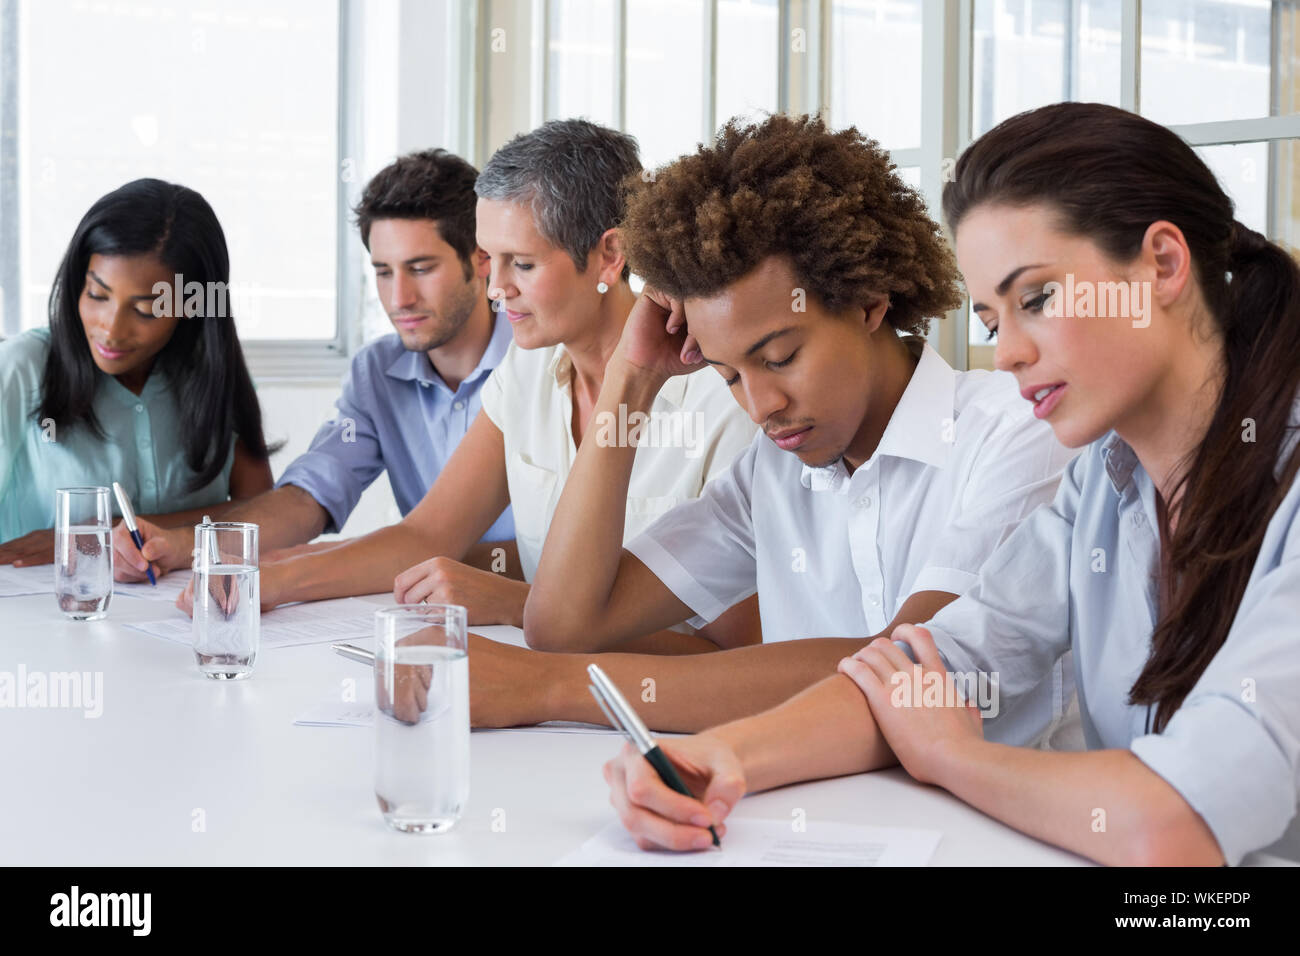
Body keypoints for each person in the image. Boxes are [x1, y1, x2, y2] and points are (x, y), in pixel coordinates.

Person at [601, 102, 1300, 866]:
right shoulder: (1102, 486)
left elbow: (1174, 825)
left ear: (1162, 264)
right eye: (996, 322)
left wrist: (955, 756)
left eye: (1036, 299)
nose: (1005, 357)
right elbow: (930, 667)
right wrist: (726, 758)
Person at [474, 113, 1076, 735]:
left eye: (780, 358)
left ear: (869, 301)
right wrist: (632, 380)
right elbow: (563, 624)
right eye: (728, 374)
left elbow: (905, 670)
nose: (760, 406)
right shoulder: (771, 471)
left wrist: (554, 691)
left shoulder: (1015, 432)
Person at [160, 119, 759, 641]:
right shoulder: (526, 372)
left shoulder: (722, 395)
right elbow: (428, 533)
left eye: (521, 264)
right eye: (489, 259)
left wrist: (520, 605)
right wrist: (271, 581)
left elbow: (733, 647)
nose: (496, 288)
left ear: (609, 255)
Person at [114, 149, 514, 580]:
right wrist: (184, 545)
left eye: (420, 268)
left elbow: (557, 556)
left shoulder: (538, 361)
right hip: (435, 615)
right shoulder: (377, 373)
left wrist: (361, 564)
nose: (399, 299)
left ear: (481, 258)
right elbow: (307, 498)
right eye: (383, 272)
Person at [0, 179, 274, 562]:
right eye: (97, 294)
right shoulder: (20, 367)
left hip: (179, 615)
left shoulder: (212, 373)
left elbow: (268, 522)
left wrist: (99, 538)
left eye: (146, 309)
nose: (110, 330)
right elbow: (242, 520)